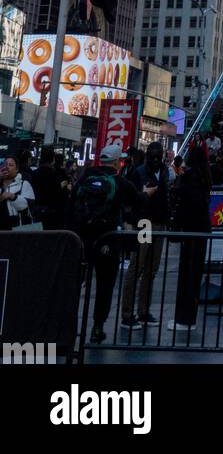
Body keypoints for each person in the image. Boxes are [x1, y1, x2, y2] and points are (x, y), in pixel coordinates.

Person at [69, 142, 142, 344]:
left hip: (81, 239)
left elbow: (72, 200)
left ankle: (68, 327)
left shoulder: (86, 176)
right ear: (118, 162)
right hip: (107, 240)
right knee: (105, 285)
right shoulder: (120, 182)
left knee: (75, 284)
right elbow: (138, 200)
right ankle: (97, 327)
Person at [121, 141, 170, 331]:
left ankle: (143, 310)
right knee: (137, 266)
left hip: (158, 222)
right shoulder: (139, 172)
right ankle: (127, 313)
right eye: (153, 156)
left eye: (159, 156)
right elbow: (130, 198)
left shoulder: (164, 171)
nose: (156, 160)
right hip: (144, 222)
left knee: (151, 268)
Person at [168, 143, 211, 333]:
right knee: (195, 275)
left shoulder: (188, 179)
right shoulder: (205, 177)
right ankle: (189, 317)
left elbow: (181, 204)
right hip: (202, 230)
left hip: (190, 231)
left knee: (186, 275)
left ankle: (184, 319)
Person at [32, 146, 66, 230]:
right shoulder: (54, 174)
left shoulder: (35, 172)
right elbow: (56, 191)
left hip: (37, 208)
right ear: (52, 159)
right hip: (50, 210)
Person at [0, 154, 37, 231]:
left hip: (19, 229)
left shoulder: (24, 184)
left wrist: (12, 196)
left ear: (17, 169)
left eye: (10, 165)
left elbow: (26, 205)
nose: (7, 167)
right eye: (5, 164)